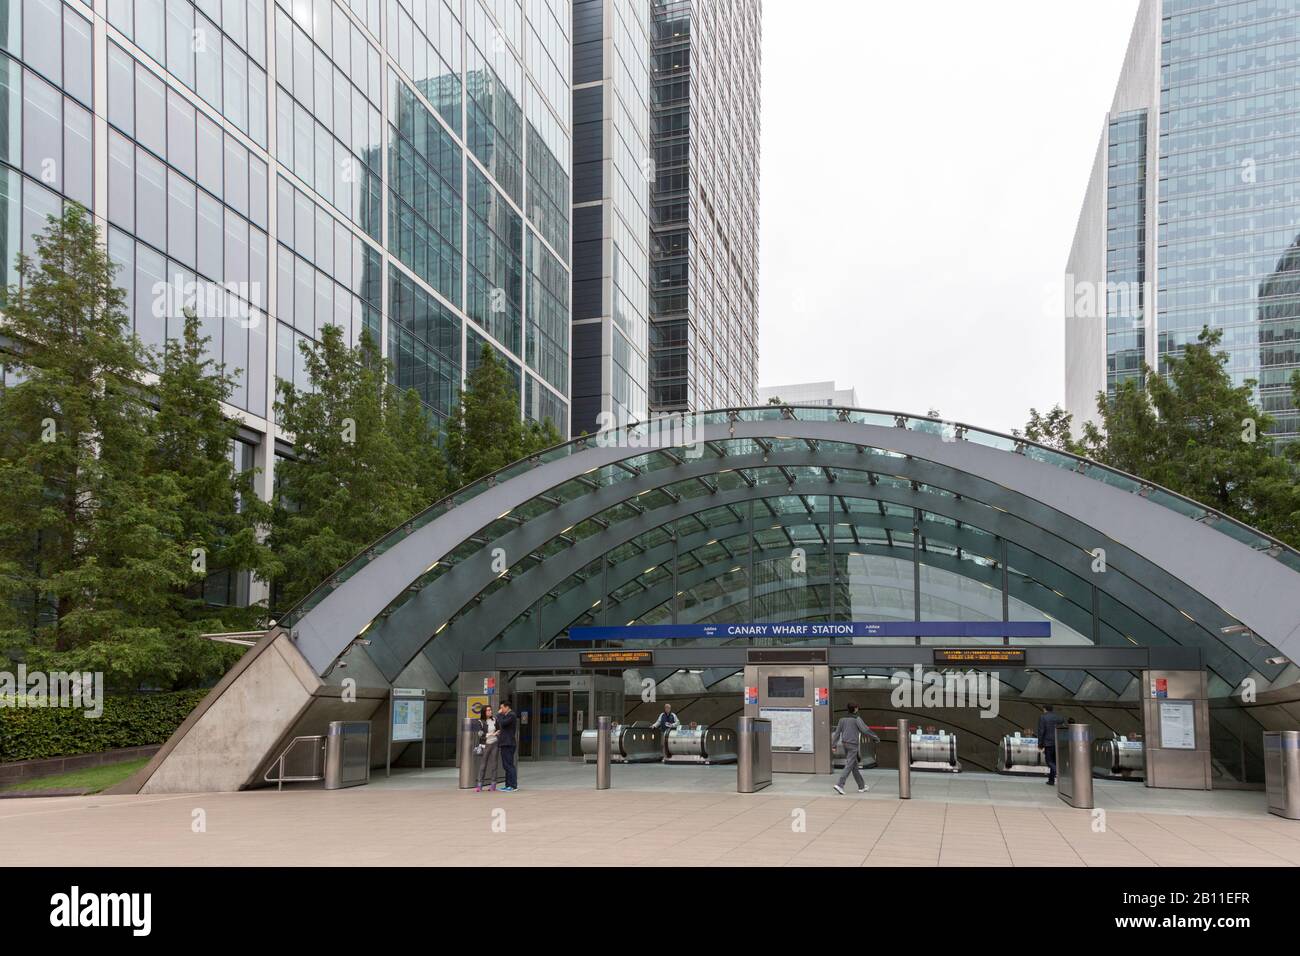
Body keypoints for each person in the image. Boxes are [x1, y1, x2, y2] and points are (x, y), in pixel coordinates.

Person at [832, 703, 880, 794]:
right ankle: (840, 784)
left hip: (845, 743)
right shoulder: (856, 719)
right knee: (850, 764)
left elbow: (837, 733)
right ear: (855, 709)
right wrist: (875, 737)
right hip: (853, 744)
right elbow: (865, 729)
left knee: (854, 766)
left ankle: (861, 786)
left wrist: (834, 745)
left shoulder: (842, 719)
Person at [1037, 704, 1067, 785]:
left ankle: (1058, 771)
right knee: (1054, 761)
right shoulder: (1059, 717)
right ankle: (1051, 780)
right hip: (1058, 742)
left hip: (1048, 742)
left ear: (1044, 709)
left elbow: (1041, 731)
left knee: (1049, 761)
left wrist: (1040, 743)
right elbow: (1065, 726)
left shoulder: (1043, 717)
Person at [496, 698, 519, 791]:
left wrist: (498, 714)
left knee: (509, 765)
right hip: (505, 743)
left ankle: (513, 785)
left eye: (502, 708)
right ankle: (508, 784)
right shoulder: (507, 715)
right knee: (506, 765)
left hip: (508, 743)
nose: (501, 710)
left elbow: (503, 723)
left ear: (507, 707)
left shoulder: (511, 715)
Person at [475, 704, 500, 792]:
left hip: (494, 743)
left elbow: (498, 729)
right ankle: (479, 785)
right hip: (485, 745)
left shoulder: (495, 720)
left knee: (494, 765)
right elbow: (480, 734)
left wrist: (497, 733)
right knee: (483, 765)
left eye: (490, 710)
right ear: (484, 712)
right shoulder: (480, 722)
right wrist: (491, 734)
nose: (490, 711)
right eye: (488, 710)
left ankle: (493, 785)